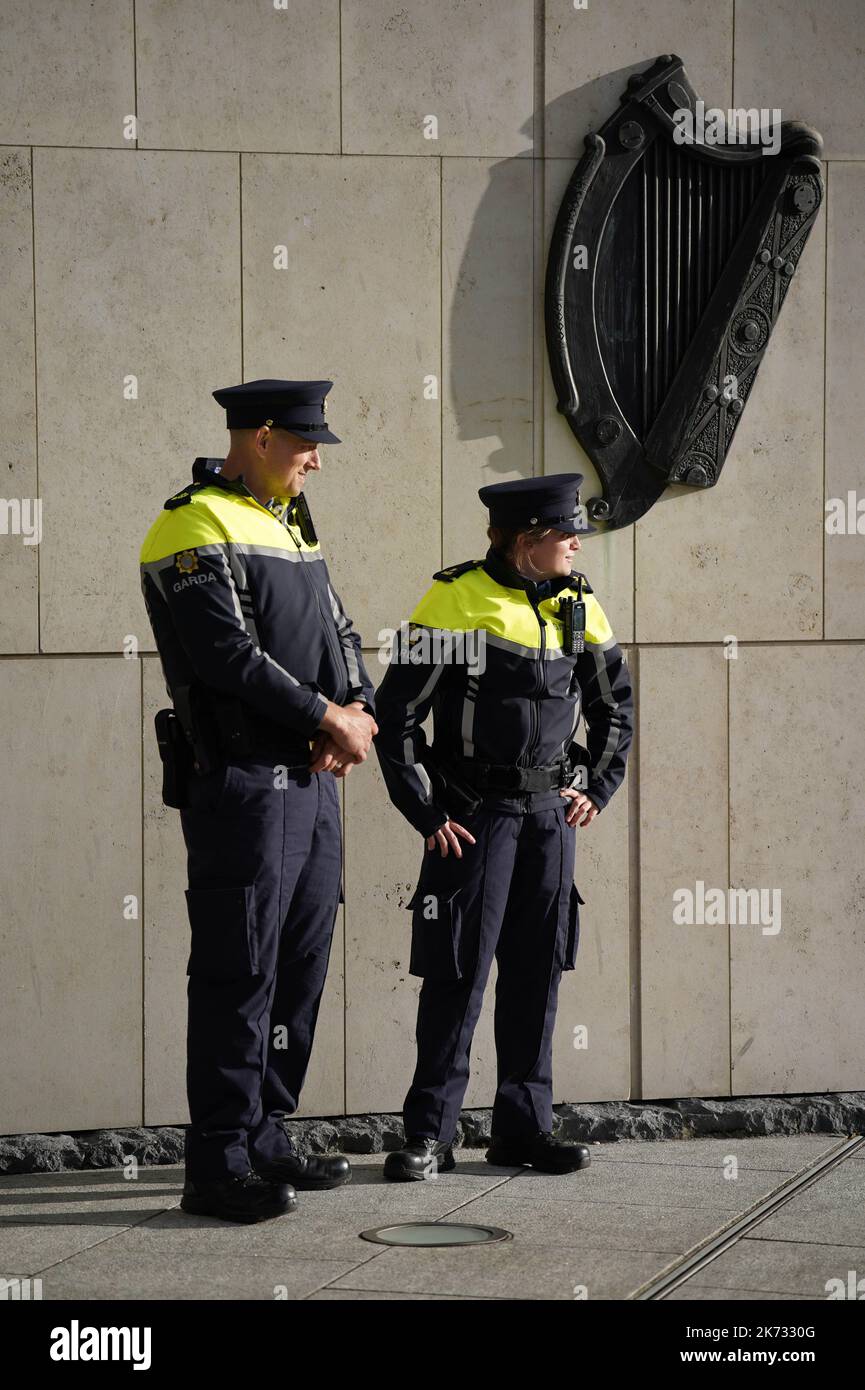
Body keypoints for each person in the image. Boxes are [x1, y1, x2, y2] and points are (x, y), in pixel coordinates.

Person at [139, 379, 377, 1223]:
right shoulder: (191, 523)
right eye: (308, 444)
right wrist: (326, 718)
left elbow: (340, 635)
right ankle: (217, 1164)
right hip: (242, 784)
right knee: (239, 969)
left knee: (301, 962)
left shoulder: (290, 522)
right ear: (264, 435)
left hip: (310, 781)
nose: (317, 459)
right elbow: (228, 656)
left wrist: (358, 714)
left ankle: (267, 1133)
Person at [374, 473, 633, 1179]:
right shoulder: (457, 601)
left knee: (536, 973)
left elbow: (615, 708)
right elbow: (395, 716)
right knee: (455, 975)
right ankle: (429, 1136)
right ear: (526, 541)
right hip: (475, 818)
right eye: (564, 533)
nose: (576, 542)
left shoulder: (578, 604)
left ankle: (524, 1131)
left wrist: (596, 790)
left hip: (550, 820)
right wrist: (425, 812)